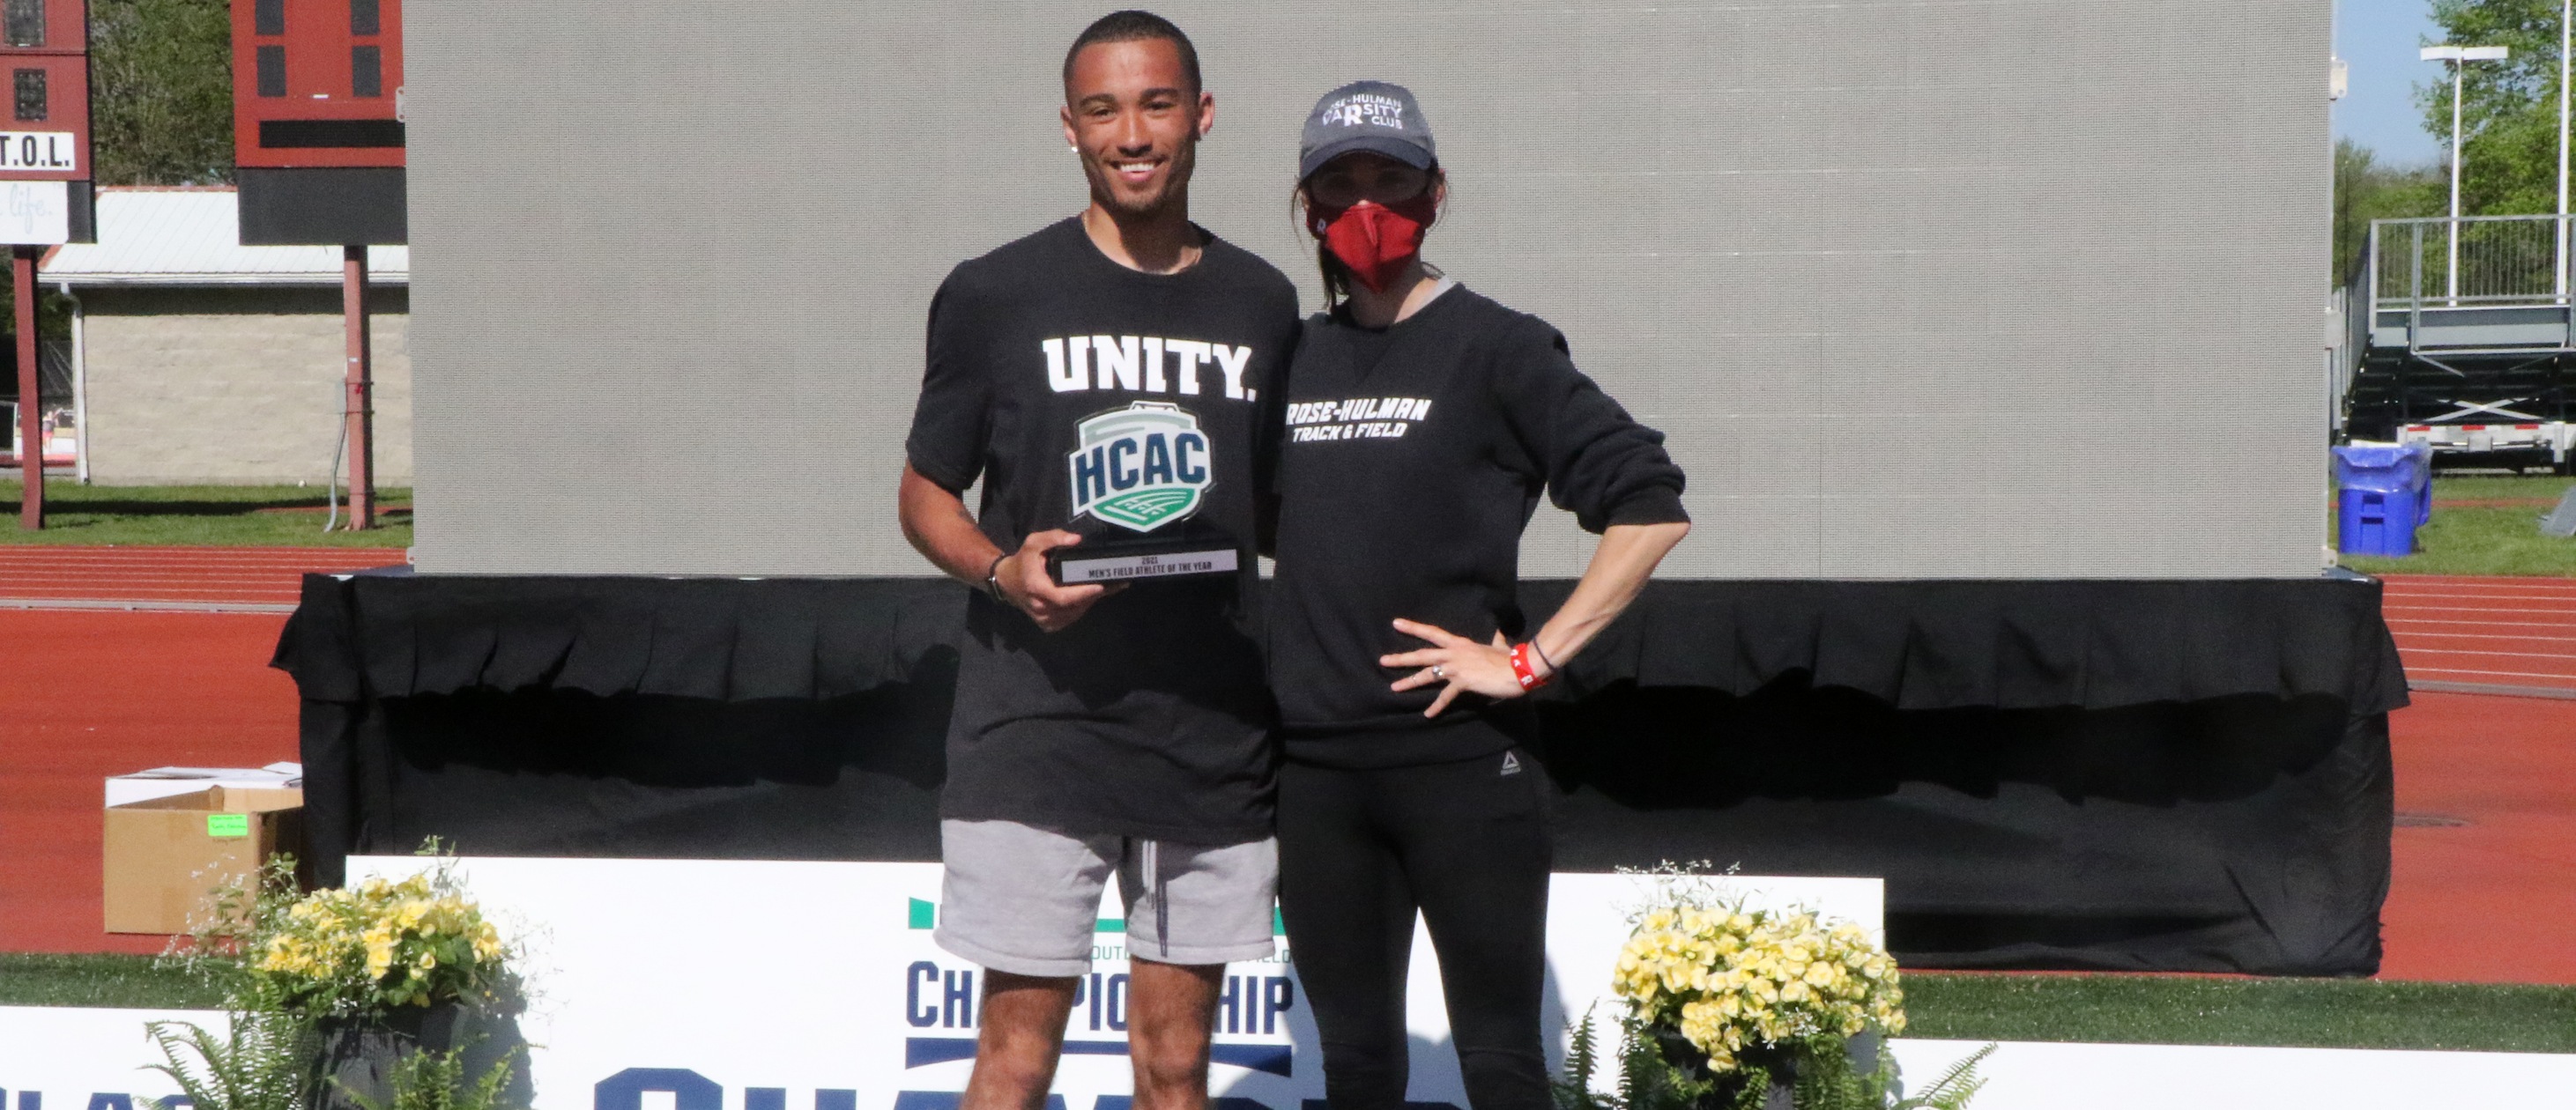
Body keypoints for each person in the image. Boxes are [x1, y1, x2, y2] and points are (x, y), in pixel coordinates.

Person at [895, 12, 1300, 1110]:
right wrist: (998, 570)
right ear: (1067, 128)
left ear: (1200, 116)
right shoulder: (995, 291)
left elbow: (1277, 513)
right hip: (1037, 729)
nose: (1133, 132)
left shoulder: (1264, 302)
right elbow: (924, 492)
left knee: (1176, 1073)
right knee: (1012, 1064)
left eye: (1157, 104)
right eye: (1103, 108)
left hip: (1208, 738)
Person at [1264, 81, 1693, 1110]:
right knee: (1356, 1070)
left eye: (1392, 179)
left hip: (1461, 765)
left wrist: (1528, 660)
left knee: (1499, 1064)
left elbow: (1650, 506)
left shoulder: (1499, 347)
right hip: (1316, 776)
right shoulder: (1289, 360)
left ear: (1436, 190)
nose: (1368, 204)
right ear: (1306, 203)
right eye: (1341, 182)